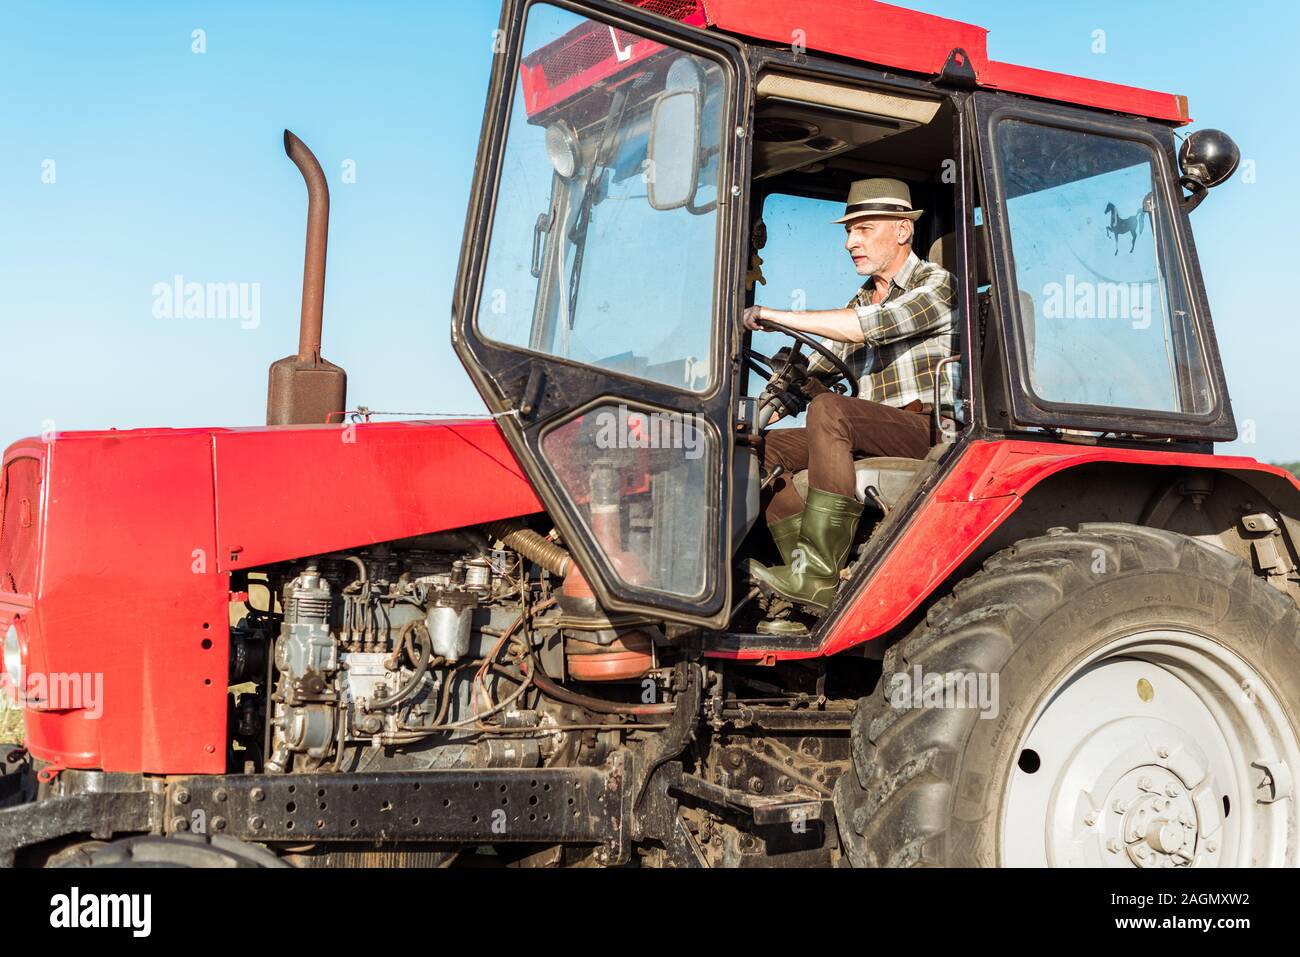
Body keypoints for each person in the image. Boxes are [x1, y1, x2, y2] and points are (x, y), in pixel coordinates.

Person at [742, 178, 957, 618]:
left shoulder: (938, 285)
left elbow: (868, 327)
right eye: (848, 231)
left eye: (862, 229)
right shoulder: (859, 299)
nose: (848, 242)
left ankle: (818, 572)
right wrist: (757, 416)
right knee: (756, 451)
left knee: (830, 409)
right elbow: (818, 367)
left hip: (929, 429)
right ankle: (802, 582)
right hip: (867, 429)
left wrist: (771, 315)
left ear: (902, 230)